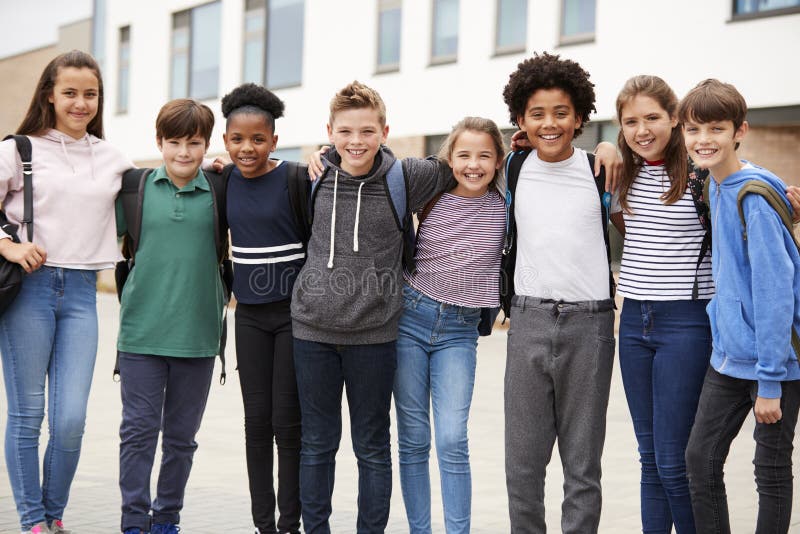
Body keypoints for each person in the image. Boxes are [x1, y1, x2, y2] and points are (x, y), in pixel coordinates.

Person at [290, 81, 453, 534]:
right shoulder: (312, 175)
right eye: (345, 131)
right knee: (318, 444)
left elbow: (465, 159)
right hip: (312, 332)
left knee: (372, 447)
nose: (355, 141)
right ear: (329, 132)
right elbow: (252, 172)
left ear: (385, 130)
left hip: (376, 336)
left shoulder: (407, 176)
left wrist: (515, 146)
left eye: (366, 130)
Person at [0, 50, 133, 534]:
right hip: (29, 292)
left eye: (90, 94)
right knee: (28, 413)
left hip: (82, 293)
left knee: (71, 419)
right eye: (70, 93)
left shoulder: (114, 158)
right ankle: (35, 522)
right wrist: (9, 247)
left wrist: (217, 166)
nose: (81, 103)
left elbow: (166, 183)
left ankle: (54, 514)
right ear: (49, 95)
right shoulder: (19, 149)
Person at [501, 52, 622, 534]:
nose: (549, 123)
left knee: (582, 467)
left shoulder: (602, 171)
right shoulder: (511, 168)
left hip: (590, 326)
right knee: (522, 467)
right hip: (527, 321)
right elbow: (457, 163)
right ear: (520, 121)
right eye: (537, 114)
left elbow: (667, 169)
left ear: (579, 118)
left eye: (560, 113)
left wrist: (615, 146)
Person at [681, 79, 800, 534]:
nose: (703, 139)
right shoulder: (716, 184)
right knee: (700, 460)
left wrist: (770, 382)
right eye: (694, 130)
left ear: (739, 131)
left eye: (716, 127)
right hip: (730, 356)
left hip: (775, 363)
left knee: (769, 470)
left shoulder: (752, 197)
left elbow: (775, 293)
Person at [116, 99, 226, 534]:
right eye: (175, 142)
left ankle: (167, 519)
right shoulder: (134, 189)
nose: (184, 152)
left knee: (181, 440)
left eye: (194, 143)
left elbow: (268, 177)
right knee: (138, 433)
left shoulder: (221, 188)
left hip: (198, 337)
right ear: (158, 142)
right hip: (141, 334)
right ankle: (133, 522)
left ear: (207, 144)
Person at [393, 117, 506, 534]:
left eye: (484, 156)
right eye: (464, 155)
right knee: (414, 439)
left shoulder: (506, 204)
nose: (473, 165)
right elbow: (380, 168)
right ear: (449, 158)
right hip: (411, 318)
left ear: (498, 161)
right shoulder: (431, 196)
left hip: (459, 332)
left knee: (452, 440)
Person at [613, 74, 713, 534]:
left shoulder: (701, 172)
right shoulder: (621, 172)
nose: (642, 129)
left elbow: (751, 185)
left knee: (674, 460)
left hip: (686, 324)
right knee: (649, 458)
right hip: (633, 321)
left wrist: (786, 202)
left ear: (675, 118)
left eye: (652, 117)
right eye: (631, 121)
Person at [220, 83, 306, 534]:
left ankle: (290, 524)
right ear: (226, 140)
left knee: (287, 423)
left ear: (274, 139)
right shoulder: (223, 181)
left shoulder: (296, 178)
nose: (247, 148)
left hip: (294, 317)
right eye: (237, 139)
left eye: (257, 139)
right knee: (257, 423)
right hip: (249, 316)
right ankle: (263, 526)